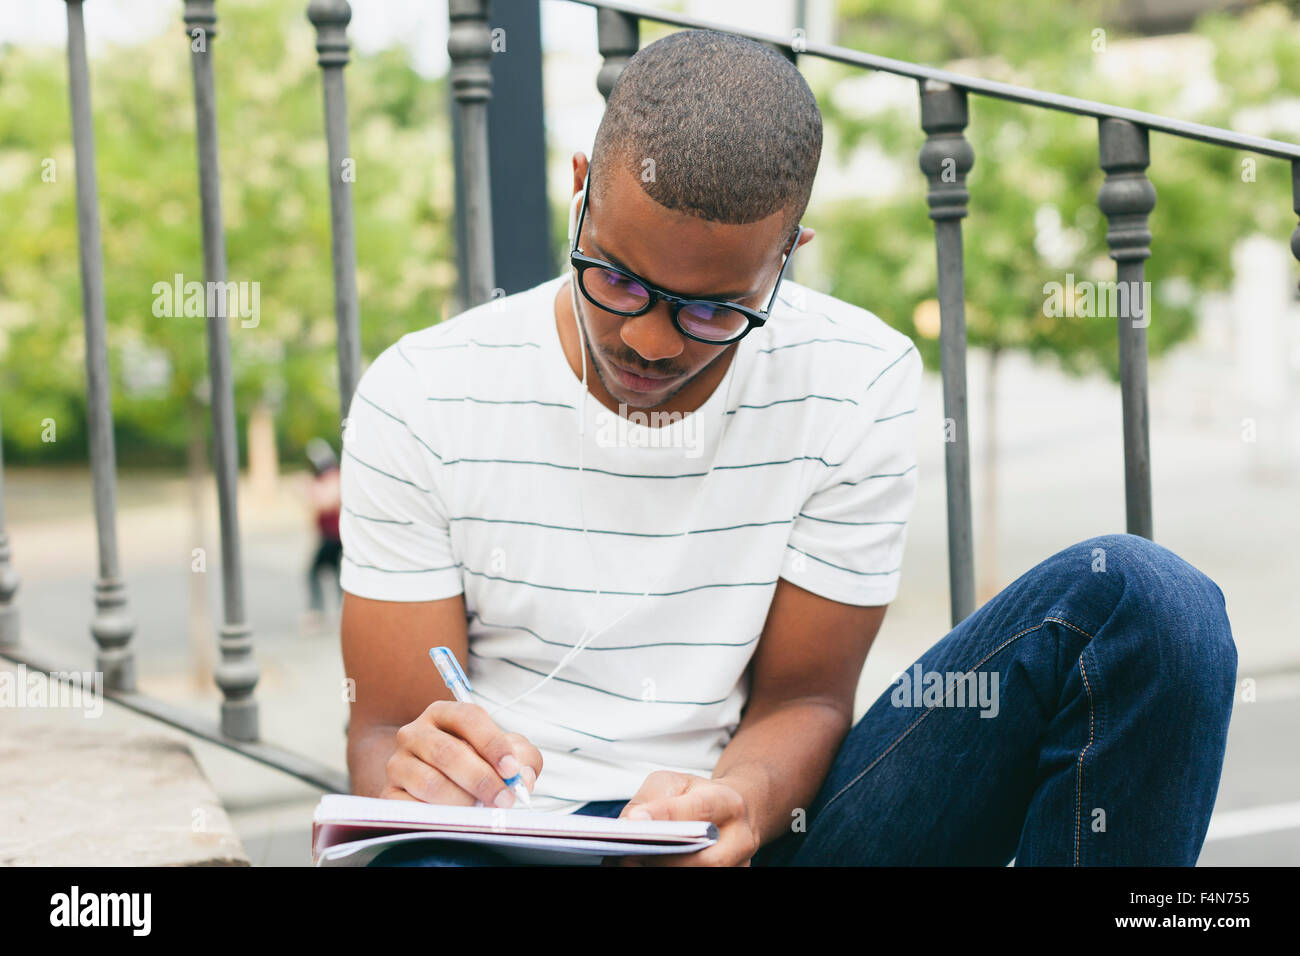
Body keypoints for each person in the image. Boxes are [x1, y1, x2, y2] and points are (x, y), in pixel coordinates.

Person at [338, 29, 1236, 866]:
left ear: (787, 255)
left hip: (753, 834)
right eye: (617, 278)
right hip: (505, 841)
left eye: (713, 308)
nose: (651, 342)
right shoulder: (422, 393)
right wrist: (418, 773)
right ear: (580, 192)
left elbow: (803, 700)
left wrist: (742, 804)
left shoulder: (857, 378)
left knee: (1146, 605)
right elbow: (382, 730)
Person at [304, 437, 342, 632]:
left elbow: (326, 502)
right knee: (334, 574)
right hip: (329, 535)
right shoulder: (326, 477)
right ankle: (333, 611)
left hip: (334, 536)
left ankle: (318, 612)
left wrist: (311, 492)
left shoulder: (332, 476)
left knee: (315, 573)